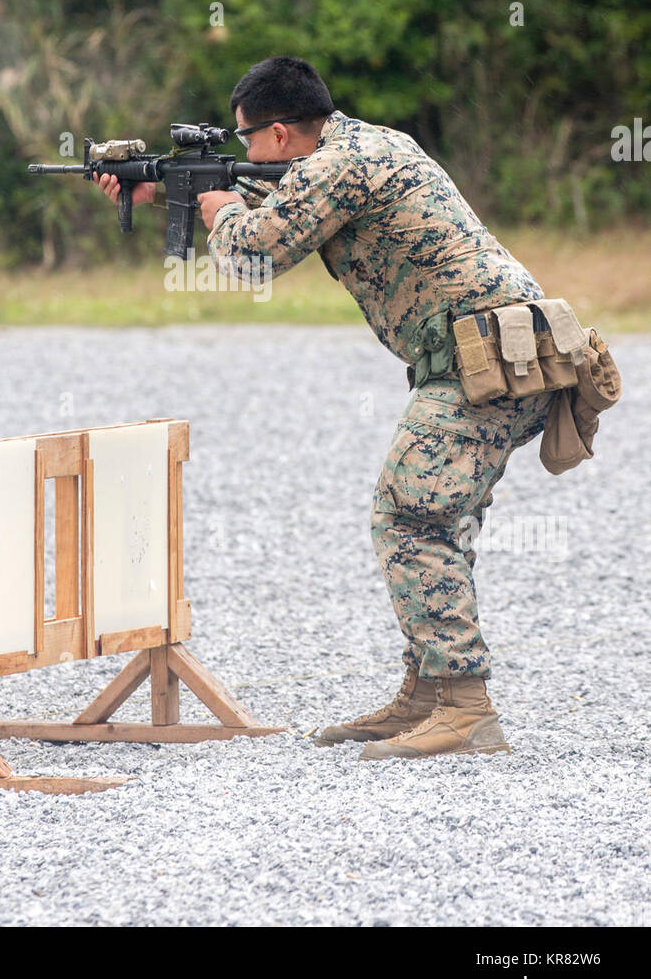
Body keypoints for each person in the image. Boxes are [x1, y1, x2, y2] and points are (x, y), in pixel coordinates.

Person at [96, 55, 556, 761]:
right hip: (494, 353)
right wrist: (170, 190)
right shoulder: (372, 144)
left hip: (485, 361)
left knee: (411, 517)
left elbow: (253, 258)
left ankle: (466, 710)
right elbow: (281, 216)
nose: (243, 153)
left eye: (246, 140)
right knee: (432, 517)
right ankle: (428, 694)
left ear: (280, 136)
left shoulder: (335, 168)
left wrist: (217, 208)